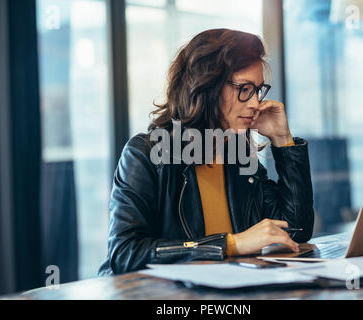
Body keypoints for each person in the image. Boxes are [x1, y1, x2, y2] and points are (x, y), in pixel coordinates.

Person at [98, 28, 314, 276]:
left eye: (257, 90)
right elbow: (125, 253)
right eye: (244, 88)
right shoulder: (146, 154)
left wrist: (283, 140)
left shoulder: (237, 155)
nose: (255, 103)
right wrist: (231, 244)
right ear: (207, 87)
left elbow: (295, 230)